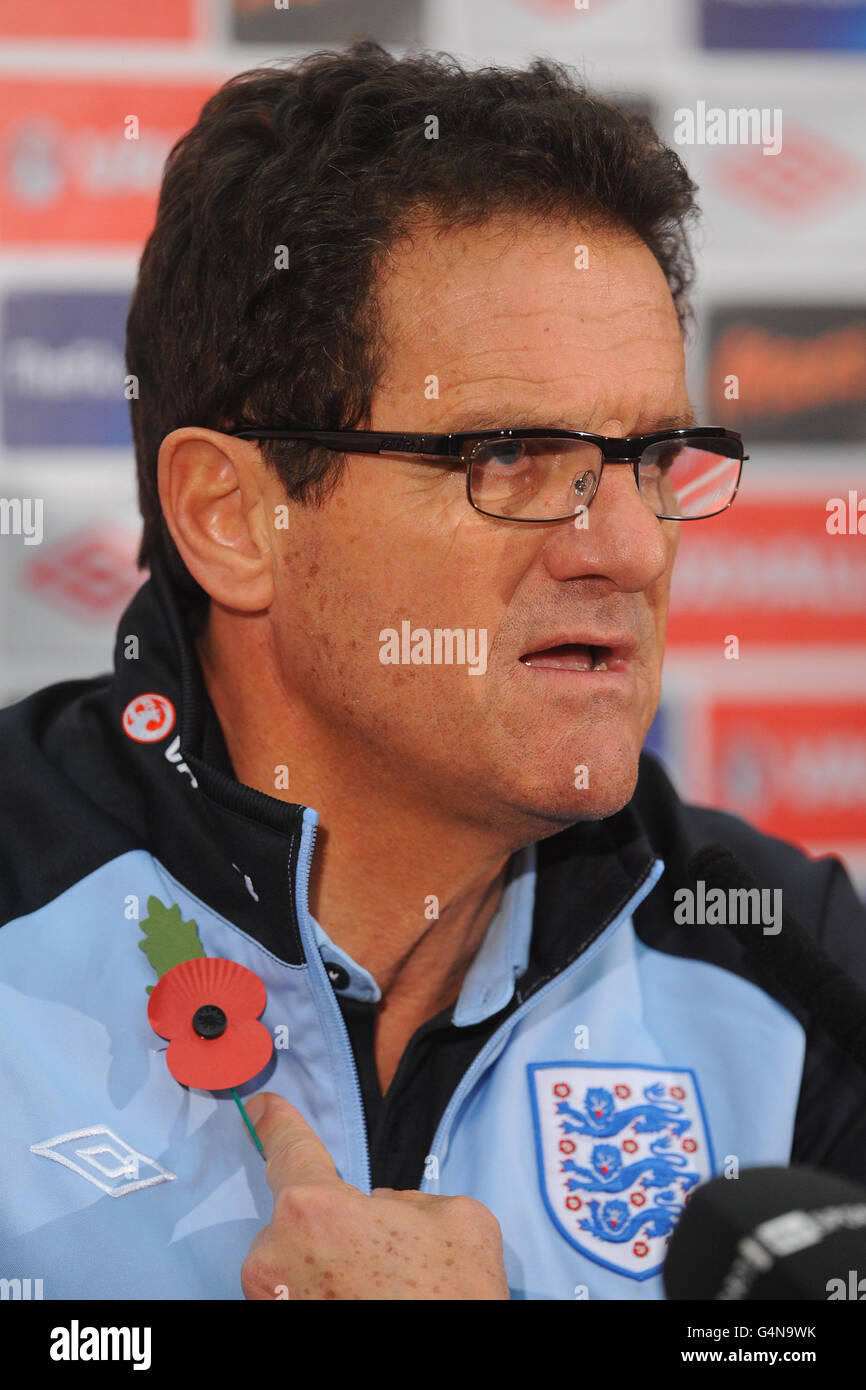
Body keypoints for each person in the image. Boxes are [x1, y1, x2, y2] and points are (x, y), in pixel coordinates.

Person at [1, 39, 864, 1303]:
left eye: (650, 458)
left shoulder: (796, 971)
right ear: (233, 517)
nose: (626, 547)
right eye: (508, 457)